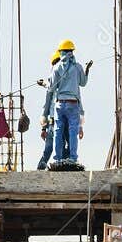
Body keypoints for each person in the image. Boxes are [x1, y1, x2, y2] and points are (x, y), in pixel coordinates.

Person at [38, 39, 92, 171]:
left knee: (58, 131)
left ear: (61, 52)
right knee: (72, 131)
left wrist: (46, 82)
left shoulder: (56, 68)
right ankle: (73, 158)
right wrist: (87, 70)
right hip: (73, 104)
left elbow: (51, 88)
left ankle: (58, 159)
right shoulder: (77, 67)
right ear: (72, 52)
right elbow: (83, 83)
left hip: (59, 104)